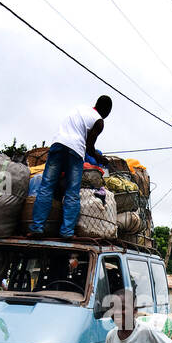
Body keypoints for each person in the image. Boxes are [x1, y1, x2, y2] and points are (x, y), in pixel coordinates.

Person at [30, 95, 113, 238]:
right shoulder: (99, 121)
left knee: (46, 187)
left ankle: (37, 227)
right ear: (106, 111)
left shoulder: (81, 109)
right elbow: (89, 147)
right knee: (72, 191)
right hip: (75, 151)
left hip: (57, 145)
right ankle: (67, 232)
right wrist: (100, 159)